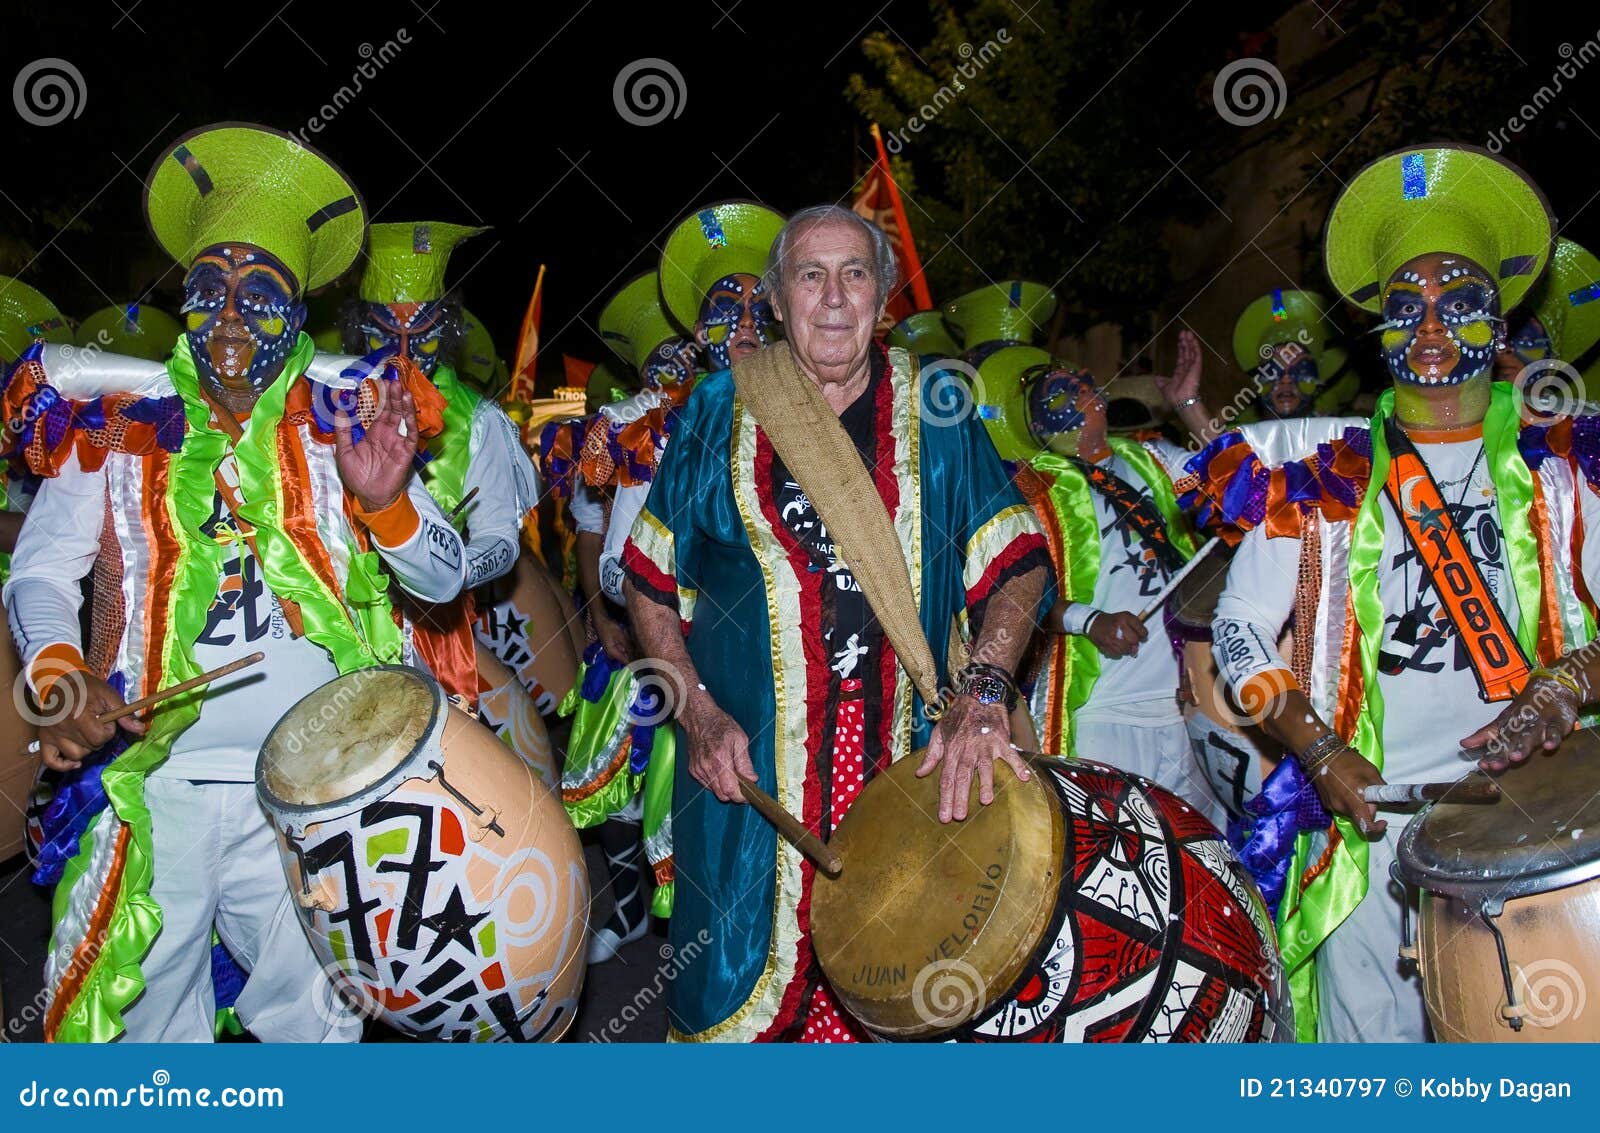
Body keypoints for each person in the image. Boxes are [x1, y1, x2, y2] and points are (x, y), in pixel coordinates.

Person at [2, 123, 467, 1042]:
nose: (228, 316)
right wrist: (60, 677)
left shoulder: (346, 421)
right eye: (209, 289)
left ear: (298, 314)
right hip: (152, 786)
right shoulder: (116, 427)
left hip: (320, 800)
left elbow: (446, 579)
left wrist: (387, 504)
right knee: (137, 1043)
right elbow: (40, 570)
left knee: (322, 1030)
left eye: (261, 296)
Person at [623, 204, 1050, 1042]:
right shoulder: (718, 411)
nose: (831, 297)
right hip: (752, 802)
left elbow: (1020, 561)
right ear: (778, 300)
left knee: (916, 1007)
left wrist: (987, 686)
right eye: (809, 275)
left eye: (854, 274)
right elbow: (646, 581)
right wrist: (697, 711)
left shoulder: (936, 408)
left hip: (915, 787)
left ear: (882, 296)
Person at [1202, 144, 1590, 1042]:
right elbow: (1237, 630)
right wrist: (1315, 744)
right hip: (1367, 825)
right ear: (1375, 331)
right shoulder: (1321, 481)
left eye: (1459, 303)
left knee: (1531, 1048)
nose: (1429, 326)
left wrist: (1568, 683)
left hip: (1537, 823)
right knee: (1372, 1062)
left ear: (1497, 323)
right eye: (1403, 306)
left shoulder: (1564, 473)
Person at [978, 345, 1215, 814]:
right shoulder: (1031, 488)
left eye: (1081, 381)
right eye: (1059, 388)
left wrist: (1190, 406)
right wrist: (1092, 621)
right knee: (1117, 858)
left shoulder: (1151, 460)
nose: (1080, 387)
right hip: (1103, 711)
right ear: (1033, 422)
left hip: (1184, 706)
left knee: (1204, 855)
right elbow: (1012, 591)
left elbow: (1241, 480)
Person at [343, 221, 541, 720]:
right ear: (359, 327)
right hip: (336, 629)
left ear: (447, 329)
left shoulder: (479, 419)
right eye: (385, 331)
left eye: (423, 331)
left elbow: (500, 539)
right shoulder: (327, 405)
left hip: (432, 637)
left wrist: (449, 570)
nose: (405, 350)